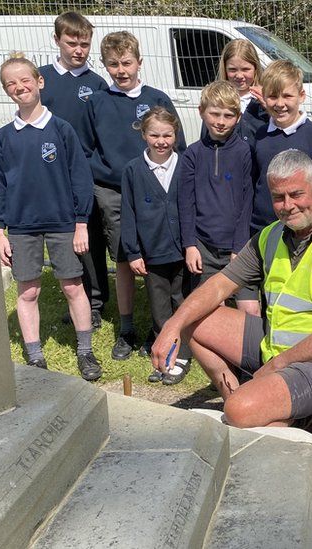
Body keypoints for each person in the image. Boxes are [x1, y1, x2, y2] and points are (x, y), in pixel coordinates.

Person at [150, 149, 312, 428]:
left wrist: (274, 366)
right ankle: (242, 397)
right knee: (193, 318)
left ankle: (263, 410)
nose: (288, 206)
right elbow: (220, 285)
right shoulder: (271, 236)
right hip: (277, 345)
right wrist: (173, 325)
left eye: (296, 194)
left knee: (240, 411)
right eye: (278, 197)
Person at [0, 54, 101, 381]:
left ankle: (85, 351)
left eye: (25, 80)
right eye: (11, 83)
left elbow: (81, 179)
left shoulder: (62, 130)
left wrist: (81, 222)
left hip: (63, 222)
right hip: (22, 227)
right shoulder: (6, 137)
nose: (19, 87)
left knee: (72, 287)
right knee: (28, 292)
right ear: (7, 91)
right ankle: (36, 358)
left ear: (39, 82)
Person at [79, 31, 186, 361]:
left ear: (139, 62)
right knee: (125, 258)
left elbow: (176, 146)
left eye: (127, 63)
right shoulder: (96, 102)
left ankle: (171, 323)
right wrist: (104, 177)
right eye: (113, 64)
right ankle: (126, 329)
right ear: (105, 65)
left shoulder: (157, 99)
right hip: (113, 191)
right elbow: (86, 149)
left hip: (155, 189)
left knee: (163, 254)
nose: (121, 70)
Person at [38, 11, 108, 330]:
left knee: (90, 237)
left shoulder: (97, 84)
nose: (78, 50)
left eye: (84, 43)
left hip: (87, 176)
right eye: (71, 43)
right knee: (65, 239)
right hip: (52, 177)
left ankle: (95, 302)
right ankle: (74, 294)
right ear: (57, 40)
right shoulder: (41, 80)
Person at [120, 107, 193, 385]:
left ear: (175, 135)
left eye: (167, 135)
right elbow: (128, 212)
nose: (161, 141)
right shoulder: (133, 170)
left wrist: (192, 244)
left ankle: (183, 353)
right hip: (152, 252)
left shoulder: (186, 164)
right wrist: (133, 252)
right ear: (144, 135)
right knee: (160, 305)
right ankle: (165, 353)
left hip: (183, 251)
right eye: (154, 135)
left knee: (182, 300)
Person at [177, 81, 255, 313]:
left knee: (250, 310)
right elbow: (186, 203)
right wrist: (190, 245)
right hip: (204, 246)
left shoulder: (244, 152)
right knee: (211, 310)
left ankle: (248, 350)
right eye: (214, 113)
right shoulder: (192, 154)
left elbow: (246, 202)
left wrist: (239, 246)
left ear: (238, 117)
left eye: (228, 115)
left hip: (238, 247)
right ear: (202, 112)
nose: (221, 121)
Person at [249, 60, 312, 234]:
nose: (280, 104)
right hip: (262, 230)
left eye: (287, 96)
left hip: (304, 233)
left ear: (301, 96)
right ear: (263, 96)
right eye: (272, 96)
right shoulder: (259, 136)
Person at [217, 39, 270, 141]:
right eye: (232, 70)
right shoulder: (217, 99)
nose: (239, 75)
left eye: (246, 69)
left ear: (255, 68)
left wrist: (270, 109)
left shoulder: (265, 99)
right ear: (225, 69)